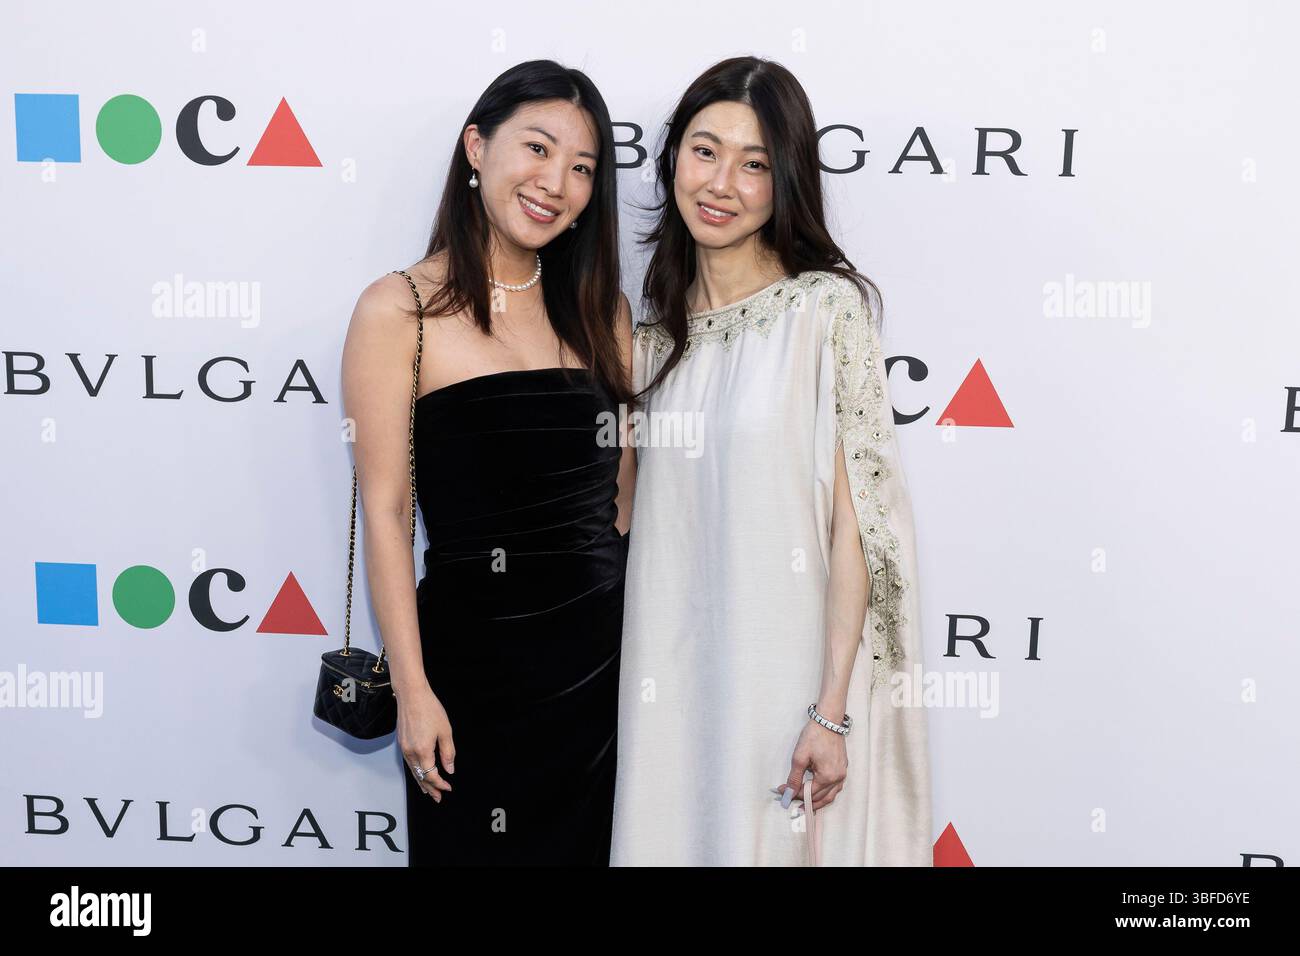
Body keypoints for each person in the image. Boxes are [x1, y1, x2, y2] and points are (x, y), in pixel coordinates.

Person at [611, 56, 932, 865]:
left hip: (790, 688)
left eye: (754, 164)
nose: (721, 183)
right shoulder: (647, 347)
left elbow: (858, 524)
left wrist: (829, 709)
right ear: (673, 158)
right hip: (673, 684)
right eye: (704, 150)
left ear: (784, 181)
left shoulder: (825, 312)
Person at [340, 59, 636, 865]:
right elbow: (389, 515)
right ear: (477, 146)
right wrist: (414, 690)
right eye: (537, 149)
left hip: (602, 679)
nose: (557, 183)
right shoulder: (399, 309)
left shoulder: (600, 312)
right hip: (470, 680)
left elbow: (624, 502)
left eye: (582, 168)